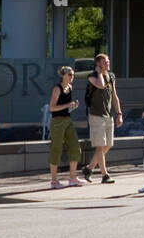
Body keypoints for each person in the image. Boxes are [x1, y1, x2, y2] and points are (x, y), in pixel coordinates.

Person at [83, 53, 122, 183]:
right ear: (98, 64)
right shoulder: (92, 76)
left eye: (108, 61)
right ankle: (105, 175)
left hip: (108, 115)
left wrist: (119, 113)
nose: (108, 63)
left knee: (108, 145)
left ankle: (89, 169)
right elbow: (100, 85)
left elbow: (115, 96)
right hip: (96, 115)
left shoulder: (111, 76)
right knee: (100, 146)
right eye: (105, 62)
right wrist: (99, 73)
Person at [47, 67, 83, 188]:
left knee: (75, 147)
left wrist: (73, 106)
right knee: (56, 148)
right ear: (63, 75)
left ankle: (72, 178)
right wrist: (68, 104)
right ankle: (54, 180)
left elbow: (65, 108)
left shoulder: (70, 88)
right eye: (69, 74)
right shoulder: (57, 89)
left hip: (67, 120)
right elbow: (52, 108)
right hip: (57, 122)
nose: (72, 77)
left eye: (73, 74)